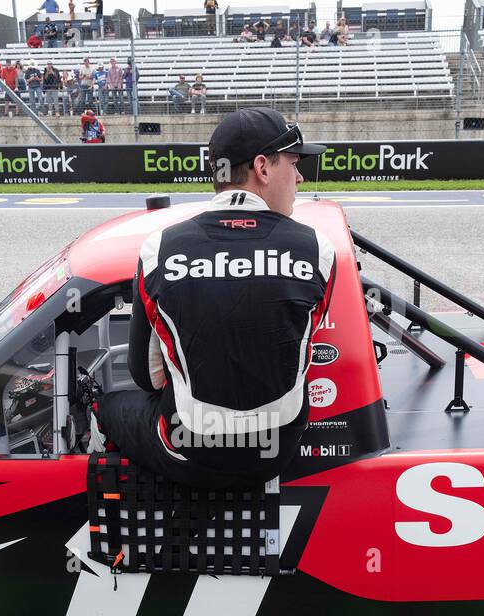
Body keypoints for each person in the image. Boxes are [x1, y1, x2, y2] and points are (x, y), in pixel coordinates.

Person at [90, 108, 335, 488]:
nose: (300, 177)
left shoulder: (159, 247)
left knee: (108, 406)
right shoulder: (318, 248)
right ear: (262, 168)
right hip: (278, 450)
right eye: (294, 163)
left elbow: (146, 375)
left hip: (191, 448)